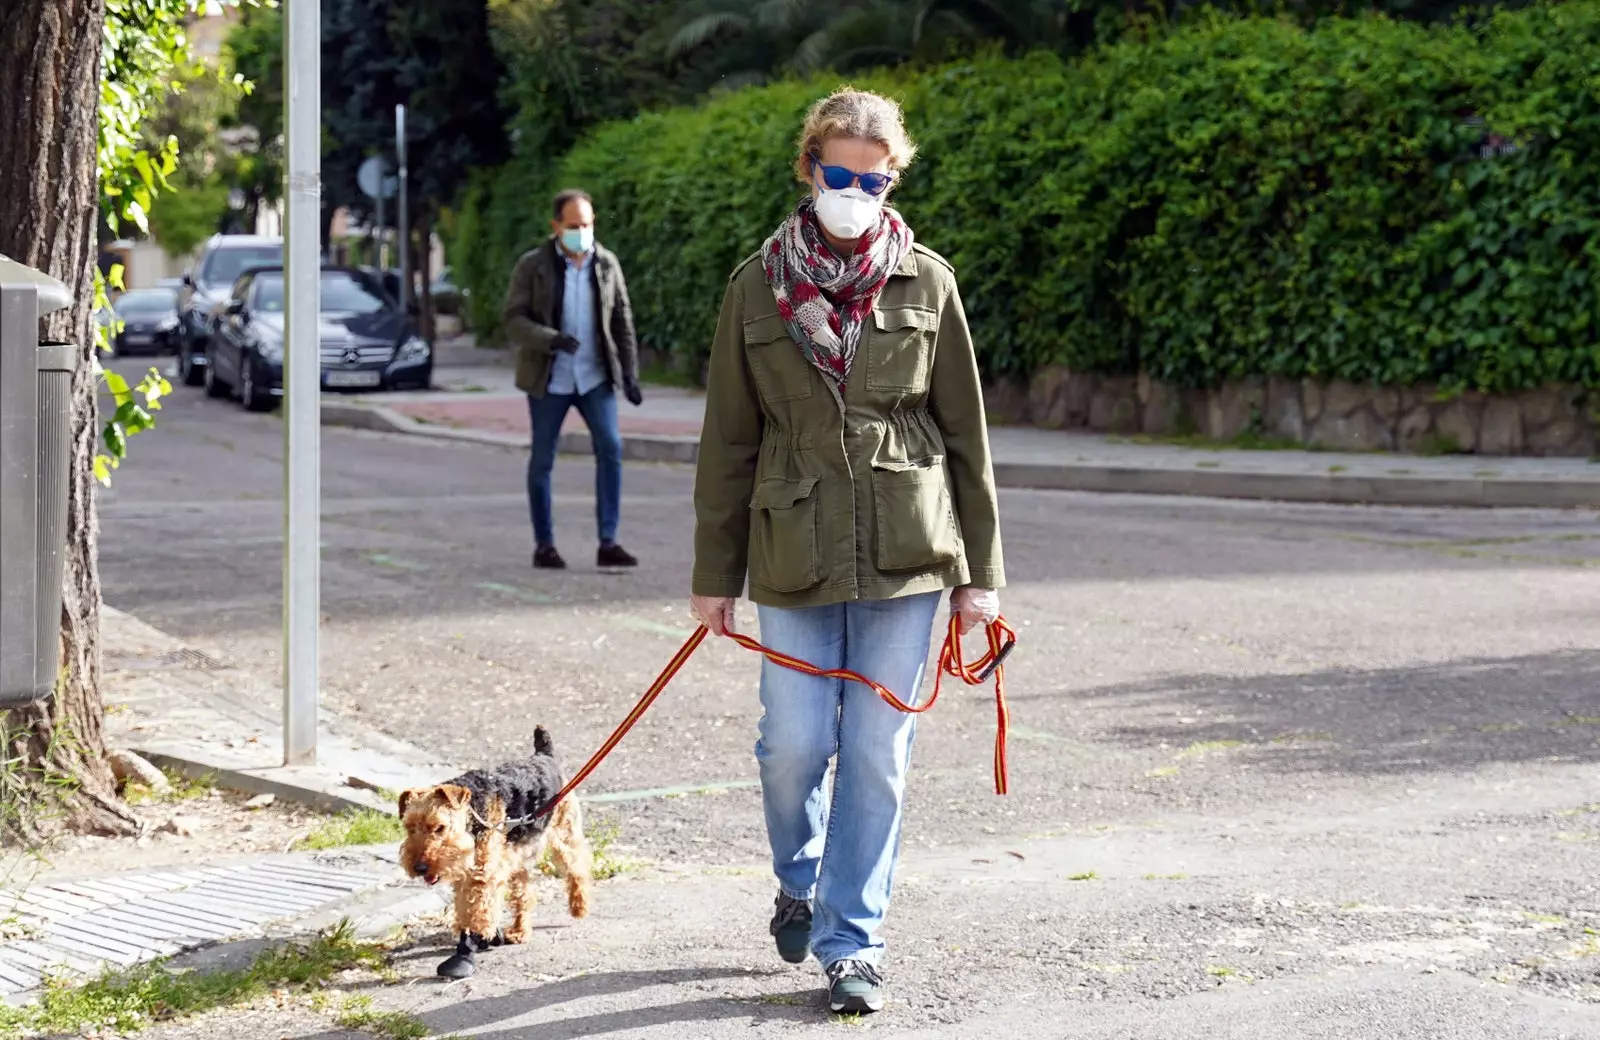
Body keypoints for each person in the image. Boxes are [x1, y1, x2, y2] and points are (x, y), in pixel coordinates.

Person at [688, 88, 1005, 1015]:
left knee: (876, 752)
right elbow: (727, 444)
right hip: (792, 547)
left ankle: (852, 941)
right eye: (838, 172)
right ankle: (800, 876)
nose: (854, 190)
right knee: (791, 744)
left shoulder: (928, 283)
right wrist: (716, 577)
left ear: (893, 175)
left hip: (909, 551)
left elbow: (968, 438)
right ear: (807, 166)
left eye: (874, 176)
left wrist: (981, 576)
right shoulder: (755, 285)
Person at [503, 188, 644, 570]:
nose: (581, 232)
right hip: (549, 378)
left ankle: (608, 541)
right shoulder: (533, 266)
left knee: (611, 449)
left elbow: (622, 322)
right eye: (573, 225)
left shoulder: (607, 265)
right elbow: (513, 318)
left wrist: (629, 375)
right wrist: (550, 340)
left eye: (586, 224)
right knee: (543, 459)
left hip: (595, 377)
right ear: (555, 226)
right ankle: (544, 544)